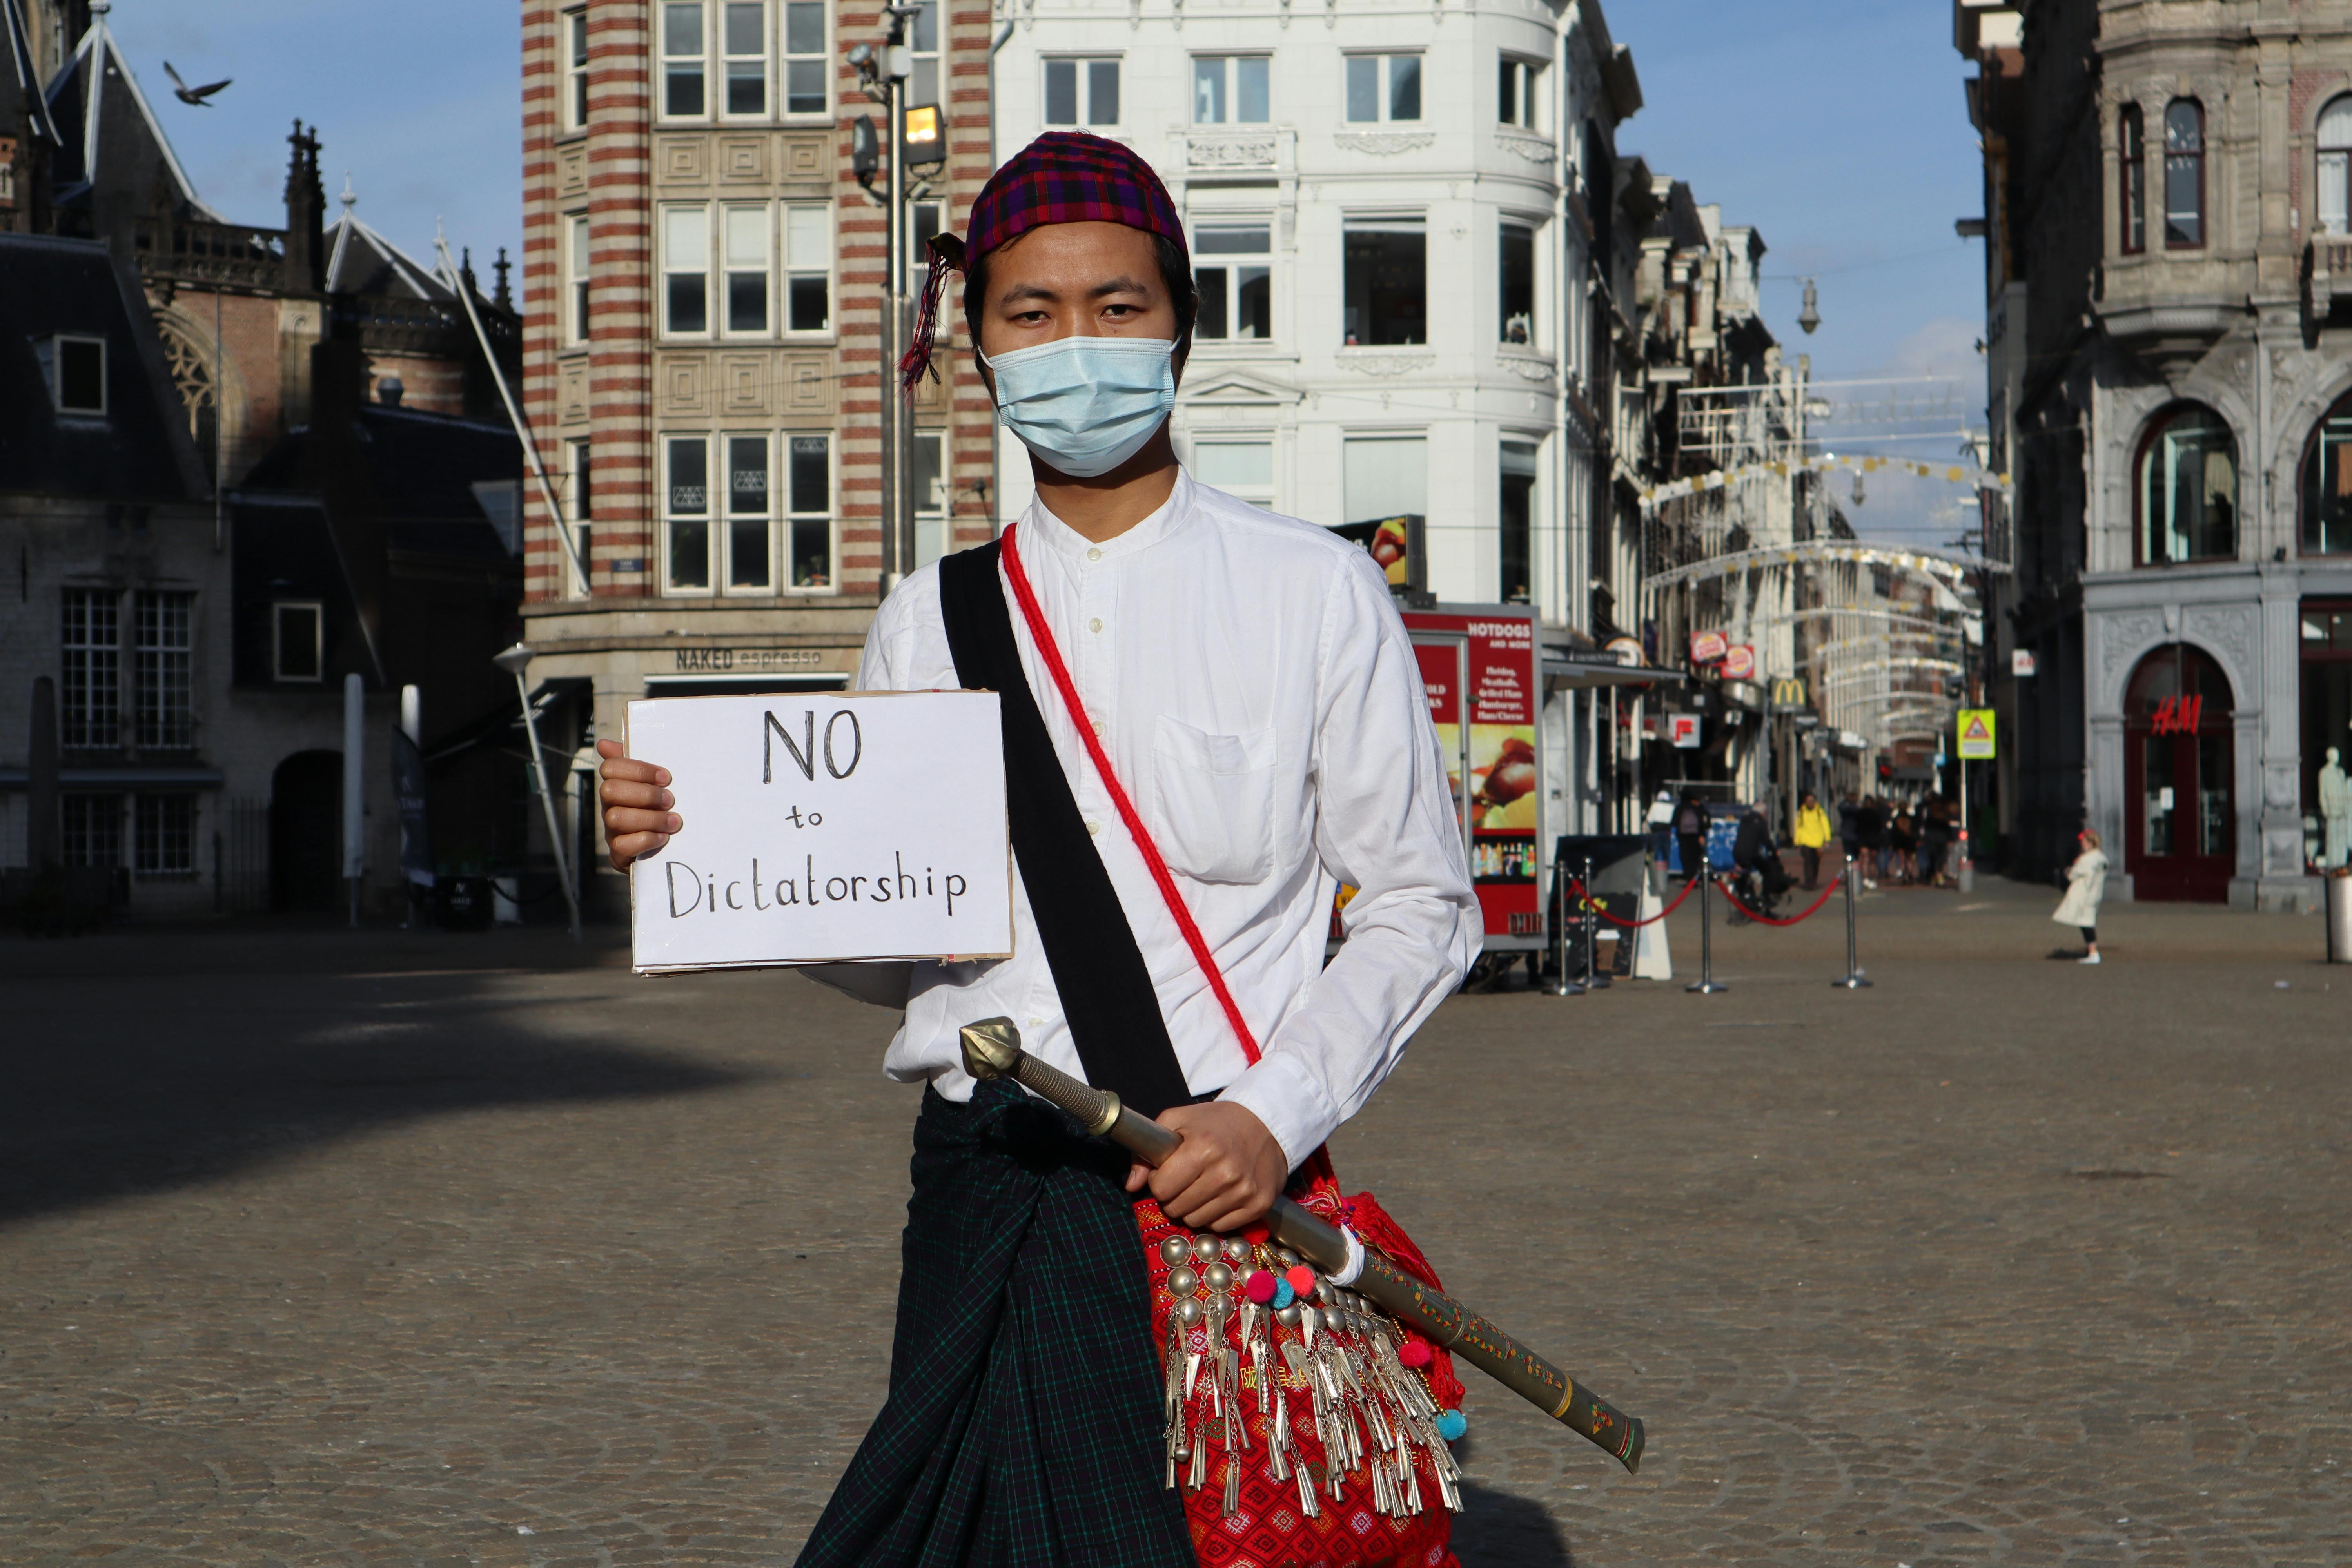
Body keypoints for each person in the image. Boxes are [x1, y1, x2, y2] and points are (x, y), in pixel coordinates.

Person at [597, 132, 1479, 1568]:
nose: (1078, 346)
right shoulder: (926, 618)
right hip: (985, 1193)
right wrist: (700, 860)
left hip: (1203, 1184)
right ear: (982, 345)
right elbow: (904, 948)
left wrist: (1271, 1115)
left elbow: (1421, 907)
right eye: (1033, 313)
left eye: (1117, 307)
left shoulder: (1314, 590)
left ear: (1181, 323)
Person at [2053, 826, 2109, 964]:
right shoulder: (2101, 857)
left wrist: (2070, 872)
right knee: (2087, 922)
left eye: (2084, 842)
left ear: (2090, 843)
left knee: (2086, 923)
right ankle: (2091, 951)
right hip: (2095, 895)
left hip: (2085, 895)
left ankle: (2093, 953)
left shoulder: (2088, 859)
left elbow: (2077, 876)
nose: (2082, 844)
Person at [1791, 789, 1831, 889]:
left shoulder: (1820, 811)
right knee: (1808, 861)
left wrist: (1827, 839)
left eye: (1812, 801)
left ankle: (1814, 880)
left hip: (1818, 842)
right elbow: (1799, 827)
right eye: (1808, 801)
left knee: (1816, 862)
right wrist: (1797, 842)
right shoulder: (1802, 812)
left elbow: (1825, 825)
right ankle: (1809, 882)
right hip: (1806, 841)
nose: (1810, 803)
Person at [1674, 789, 1708, 884]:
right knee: (1696, 857)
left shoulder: (1680, 808)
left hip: (1683, 837)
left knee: (1686, 858)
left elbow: (1675, 822)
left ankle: (1689, 879)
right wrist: (1702, 835)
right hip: (1696, 837)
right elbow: (1704, 823)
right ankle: (1695, 878)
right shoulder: (1698, 809)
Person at [1855, 795, 1887, 890]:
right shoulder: (1876, 813)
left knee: (1866, 860)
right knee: (1873, 861)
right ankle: (1872, 879)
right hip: (1874, 839)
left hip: (1864, 838)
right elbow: (1880, 827)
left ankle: (1866, 879)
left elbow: (1857, 827)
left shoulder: (1860, 813)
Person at [1919, 799, 1952, 887]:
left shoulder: (1931, 818)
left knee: (1934, 858)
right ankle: (1939, 876)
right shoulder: (1943, 818)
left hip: (1933, 840)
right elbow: (1947, 830)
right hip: (1940, 840)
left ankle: (1935, 876)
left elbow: (1926, 829)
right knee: (1939, 859)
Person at [1646, 787, 1677, 870]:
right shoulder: (1671, 806)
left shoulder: (1655, 805)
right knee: (1666, 853)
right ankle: (1665, 871)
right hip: (1667, 832)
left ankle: (1655, 871)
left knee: (1654, 853)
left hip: (1656, 832)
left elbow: (1649, 819)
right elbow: (1673, 820)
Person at [1889, 804, 1918, 885]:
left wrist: (1892, 843)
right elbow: (1915, 830)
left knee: (1903, 859)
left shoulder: (1896, 819)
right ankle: (1909, 874)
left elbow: (1893, 832)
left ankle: (1905, 875)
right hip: (1909, 840)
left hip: (1900, 841)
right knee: (1909, 859)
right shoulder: (1911, 819)